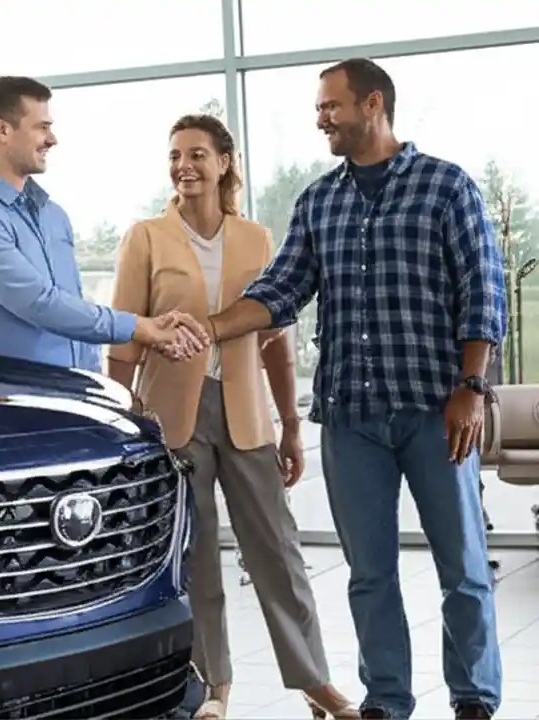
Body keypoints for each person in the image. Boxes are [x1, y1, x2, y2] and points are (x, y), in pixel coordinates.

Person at [205, 58, 506, 719]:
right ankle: (387, 699)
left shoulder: (445, 186)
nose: (322, 119)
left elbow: (483, 289)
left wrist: (471, 384)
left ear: (373, 104)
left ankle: (474, 697)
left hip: (435, 408)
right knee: (370, 573)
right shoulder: (319, 201)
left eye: (330, 106)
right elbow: (281, 288)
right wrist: (211, 327)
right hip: (351, 416)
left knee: (462, 565)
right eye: (319, 108)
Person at [106, 112, 357, 720]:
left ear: (223, 163)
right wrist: (121, 424)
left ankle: (315, 682)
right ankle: (212, 686)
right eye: (175, 156)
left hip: (246, 414)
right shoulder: (145, 237)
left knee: (278, 551)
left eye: (196, 154)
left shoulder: (257, 240)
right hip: (169, 418)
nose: (183, 166)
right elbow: (124, 341)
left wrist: (290, 424)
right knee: (194, 557)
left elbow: (275, 341)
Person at [0, 75, 209, 372]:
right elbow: (40, 304)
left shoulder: (53, 215)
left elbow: (72, 308)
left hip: (72, 389)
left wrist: (96, 381)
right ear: (2, 131)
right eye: (42, 127)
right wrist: (140, 327)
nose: (52, 139)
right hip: (5, 396)